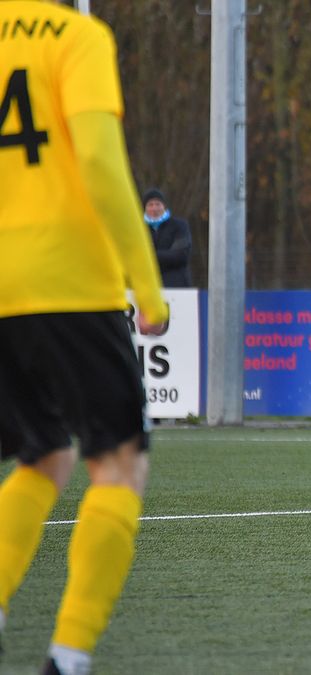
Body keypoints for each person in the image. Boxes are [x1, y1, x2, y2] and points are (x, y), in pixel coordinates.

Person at [0, 3, 170, 673]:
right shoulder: (76, 36)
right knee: (119, 463)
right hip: (69, 280)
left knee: (41, 454)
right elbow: (98, 159)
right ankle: (67, 658)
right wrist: (147, 287)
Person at [141, 188, 193, 288]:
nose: (154, 208)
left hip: (177, 286)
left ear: (164, 206)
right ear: (145, 208)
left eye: (158, 204)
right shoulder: (139, 228)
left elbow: (181, 255)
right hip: (147, 286)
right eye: (150, 205)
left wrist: (149, 256)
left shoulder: (179, 226)